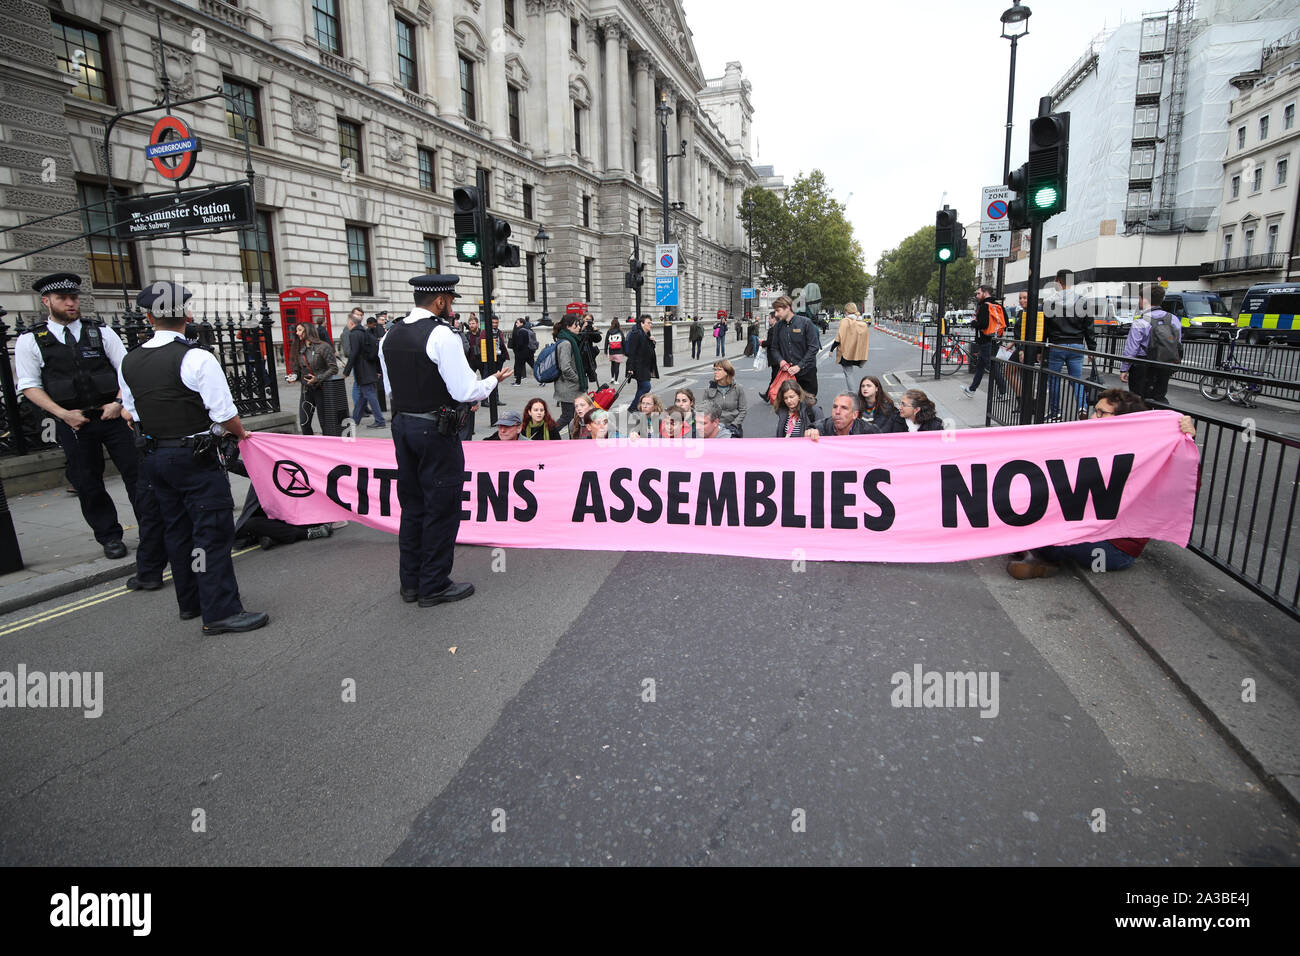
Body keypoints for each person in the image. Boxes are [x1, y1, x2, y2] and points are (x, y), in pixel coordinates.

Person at [118, 281, 268, 634]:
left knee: (177, 530)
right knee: (212, 534)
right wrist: (241, 433)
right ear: (186, 313)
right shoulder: (196, 356)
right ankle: (220, 612)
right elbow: (223, 413)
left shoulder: (130, 360)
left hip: (155, 457)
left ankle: (191, 603)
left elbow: (130, 412)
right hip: (195, 458)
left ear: (149, 316)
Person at [379, 274, 511, 607]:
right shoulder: (442, 335)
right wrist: (493, 379)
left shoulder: (389, 335)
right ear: (440, 301)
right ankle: (434, 584)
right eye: (450, 301)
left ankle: (410, 583)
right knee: (441, 507)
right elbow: (465, 390)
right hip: (435, 431)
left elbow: (391, 390)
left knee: (412, 506)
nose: (451, 307)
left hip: (403, 426)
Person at [1007, 390, 1197, 579]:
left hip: (1114, 552)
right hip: (1089, 531)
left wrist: (1185, 441)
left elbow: (1183, 486)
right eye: (1095, 411)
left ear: (1122, 420)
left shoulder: (1146, 455)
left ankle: (1041, 559)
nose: (1092, 418)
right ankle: (1036, 555)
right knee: (1026, 518)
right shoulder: (1096, 446)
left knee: (1047, 536)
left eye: (1101, 413)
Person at [15, 273, 140, 560]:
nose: (71, 303)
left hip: (112, 415)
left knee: (137, 474)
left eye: (74, 297)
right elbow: (29, 386)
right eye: (63, 299)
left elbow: (126, 370)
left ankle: (152, 528)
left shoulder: (101, 332)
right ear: (47, 301)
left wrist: (118, 403)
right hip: (72, 421)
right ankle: (109, 537)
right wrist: (62, 414)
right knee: (87, 481)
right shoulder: (31, 340)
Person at [1044, 268, 1096, 421]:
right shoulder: (1082, 301)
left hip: (1057, 345)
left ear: (1058, 281)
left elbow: (1045, 328)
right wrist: (1092, 350)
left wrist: (1041, 348)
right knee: (1076, 379)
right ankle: (1082, 406)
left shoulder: (1050, 302)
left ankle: (1056, 413)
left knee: (1054, 380)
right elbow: (1089, 327)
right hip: (1077, 345)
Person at [1122, 285, 1181, 404]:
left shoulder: (1140, 322)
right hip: (1164, 364)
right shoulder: (1173, 319)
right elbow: (1177, 344)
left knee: (1137, 399)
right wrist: (1173, 366)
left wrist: (1124, 369)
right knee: (1159, 397)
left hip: (1142, 365)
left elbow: (1132, 349)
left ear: (1145, 300)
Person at [962, 284, 1009, 399]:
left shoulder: (984, 306)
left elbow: (983, 324)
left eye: (978, 293)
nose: (977, 296)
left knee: (992, 367)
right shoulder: (998, 305)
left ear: (985, 292)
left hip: (985, 342)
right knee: (980, 367)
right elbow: (1006, 322)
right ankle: (971, 389)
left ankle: (1004, 392)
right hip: (995, 340)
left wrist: (973, 322)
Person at [771, 295, 822, 398]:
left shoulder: (805, 323)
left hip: (807, 373)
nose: (776, 314)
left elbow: (813, 347)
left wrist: (799, 366)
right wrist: (781, 361)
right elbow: (774, 348)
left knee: (808, 405)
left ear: (788, 308)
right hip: (789, 375)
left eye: (778, 310)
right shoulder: (778, 326)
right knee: (790, 407)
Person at [295, 321, 340, 435]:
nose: (297, 333)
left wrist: (318, 378)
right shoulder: (301, 349)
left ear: (307, 331)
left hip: (322, 389)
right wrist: (294, 376)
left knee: (325, 424)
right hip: (306, 390)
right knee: (304, 423)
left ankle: (328, 448)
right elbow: (299, 369)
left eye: (299, 330)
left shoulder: (323, 347)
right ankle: (311, 448)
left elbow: (334, 369)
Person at [343, 310, 385, 428]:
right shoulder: (365, 332)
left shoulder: (354, 334)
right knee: (362, 396)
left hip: (362, 369)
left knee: (370, 394)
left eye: (347, 322)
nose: (347, 324)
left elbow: (354, 353)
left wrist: (346, 371)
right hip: (369, 367)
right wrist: (377, 369)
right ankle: (355, 420)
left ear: (351, 323)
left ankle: (380, 420)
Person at [469, 313, 509, 425]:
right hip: (487, 359)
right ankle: (485, 400)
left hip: (498, 358)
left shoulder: (499, 332)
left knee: (497, 379)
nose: (495, 325)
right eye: (493, 323)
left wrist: (504, 356)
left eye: (496, 323)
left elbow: (502, 344)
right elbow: (482, 344)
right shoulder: (485, 332)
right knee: (487, 378)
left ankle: (496, 399)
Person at [553, 313, 587, 432]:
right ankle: (546, 435)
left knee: (574, 418)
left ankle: (572, 441)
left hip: (570, 387)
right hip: (568, 387)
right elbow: (565, 367)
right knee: (567, 417)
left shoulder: (570, 340)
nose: (578, 327)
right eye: (575, 325)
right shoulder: (566, 343)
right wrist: (578, 379)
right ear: (567, 327)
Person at [806, 393, 881, 440]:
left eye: (844, 408)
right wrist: (809, 433)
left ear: (855, 414)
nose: (837, 412)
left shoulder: (870, 431)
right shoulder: (819, 428)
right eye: (835, 407)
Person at [831, 302, 871, 392]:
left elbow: (839, 337)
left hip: (846, 353)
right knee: (848, 373)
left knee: (848, 373)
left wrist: (831, 349)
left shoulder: (845, 321)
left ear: (847, 311)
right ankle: (852, 392)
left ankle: (852, 393)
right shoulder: (860, 322)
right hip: (855, 352)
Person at [703, 359, 748, 437]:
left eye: (719, 370)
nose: (715, 372)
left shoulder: (738, 388)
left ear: (727, 372)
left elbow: (743, 410)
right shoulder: (709, 389)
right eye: (715, 369)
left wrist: (734, 425)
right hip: (716, 429)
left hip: (734, 427)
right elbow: (705, 411)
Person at [623, 314, 659, 410]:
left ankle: (638, 408)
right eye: (648, 323)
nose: (650, 325)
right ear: (642, 323)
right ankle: (633, 407)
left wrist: (652, 342)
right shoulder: (637, 334)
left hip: (645, 366)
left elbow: (648, 349)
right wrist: (630, 368)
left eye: (651, 323)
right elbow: (632, 352)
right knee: (646, 386)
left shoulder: (646, 334)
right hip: (638, 366)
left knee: (641, 388)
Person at [510, 318, 536, 386]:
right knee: (533, 366)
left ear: (521, 323)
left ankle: (518, 382)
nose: (516, 324)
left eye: (517, 322)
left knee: (519, 367)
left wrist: (517, 349)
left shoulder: (521, 331)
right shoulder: (527, 330)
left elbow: (520, 343)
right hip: (528, 352)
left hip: (521, 353)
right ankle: (542, 380)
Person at [578, 314, 603, 384]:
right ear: (583, 319)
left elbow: (598, 340)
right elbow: (577, 339)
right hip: (581, 354)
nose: (588, 321)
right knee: (581, 373)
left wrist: (595, 332)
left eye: (590, 320)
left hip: (589, 354)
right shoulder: (578, 327)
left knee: (591, 370)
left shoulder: (591, 328)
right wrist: (582, 329)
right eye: (586, 319)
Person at [605, 317, 625, 383]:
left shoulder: (609, 331)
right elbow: (623, 341)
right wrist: (625, 351)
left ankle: (612, 378)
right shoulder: (620, 332)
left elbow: (606, 342)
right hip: (619, 351)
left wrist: (605, 351)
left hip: (611, 351)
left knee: (612, 365)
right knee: (617, 366)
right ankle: (616, 380)